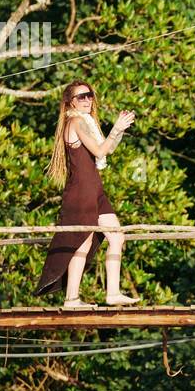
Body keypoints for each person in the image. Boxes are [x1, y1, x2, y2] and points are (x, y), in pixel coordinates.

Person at [34, 81, 139, 308]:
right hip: (81, 191)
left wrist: (119, 130)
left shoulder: (88, 123)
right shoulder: (76, 121)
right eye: (81, 96)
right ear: (71, 102)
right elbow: (100, 150)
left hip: (95, 190)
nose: (87, 100)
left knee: (117, 237)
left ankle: (112, 293)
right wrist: (116, 128)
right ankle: (71, 298)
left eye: (89, 95)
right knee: (83, 240)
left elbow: (107, 149)